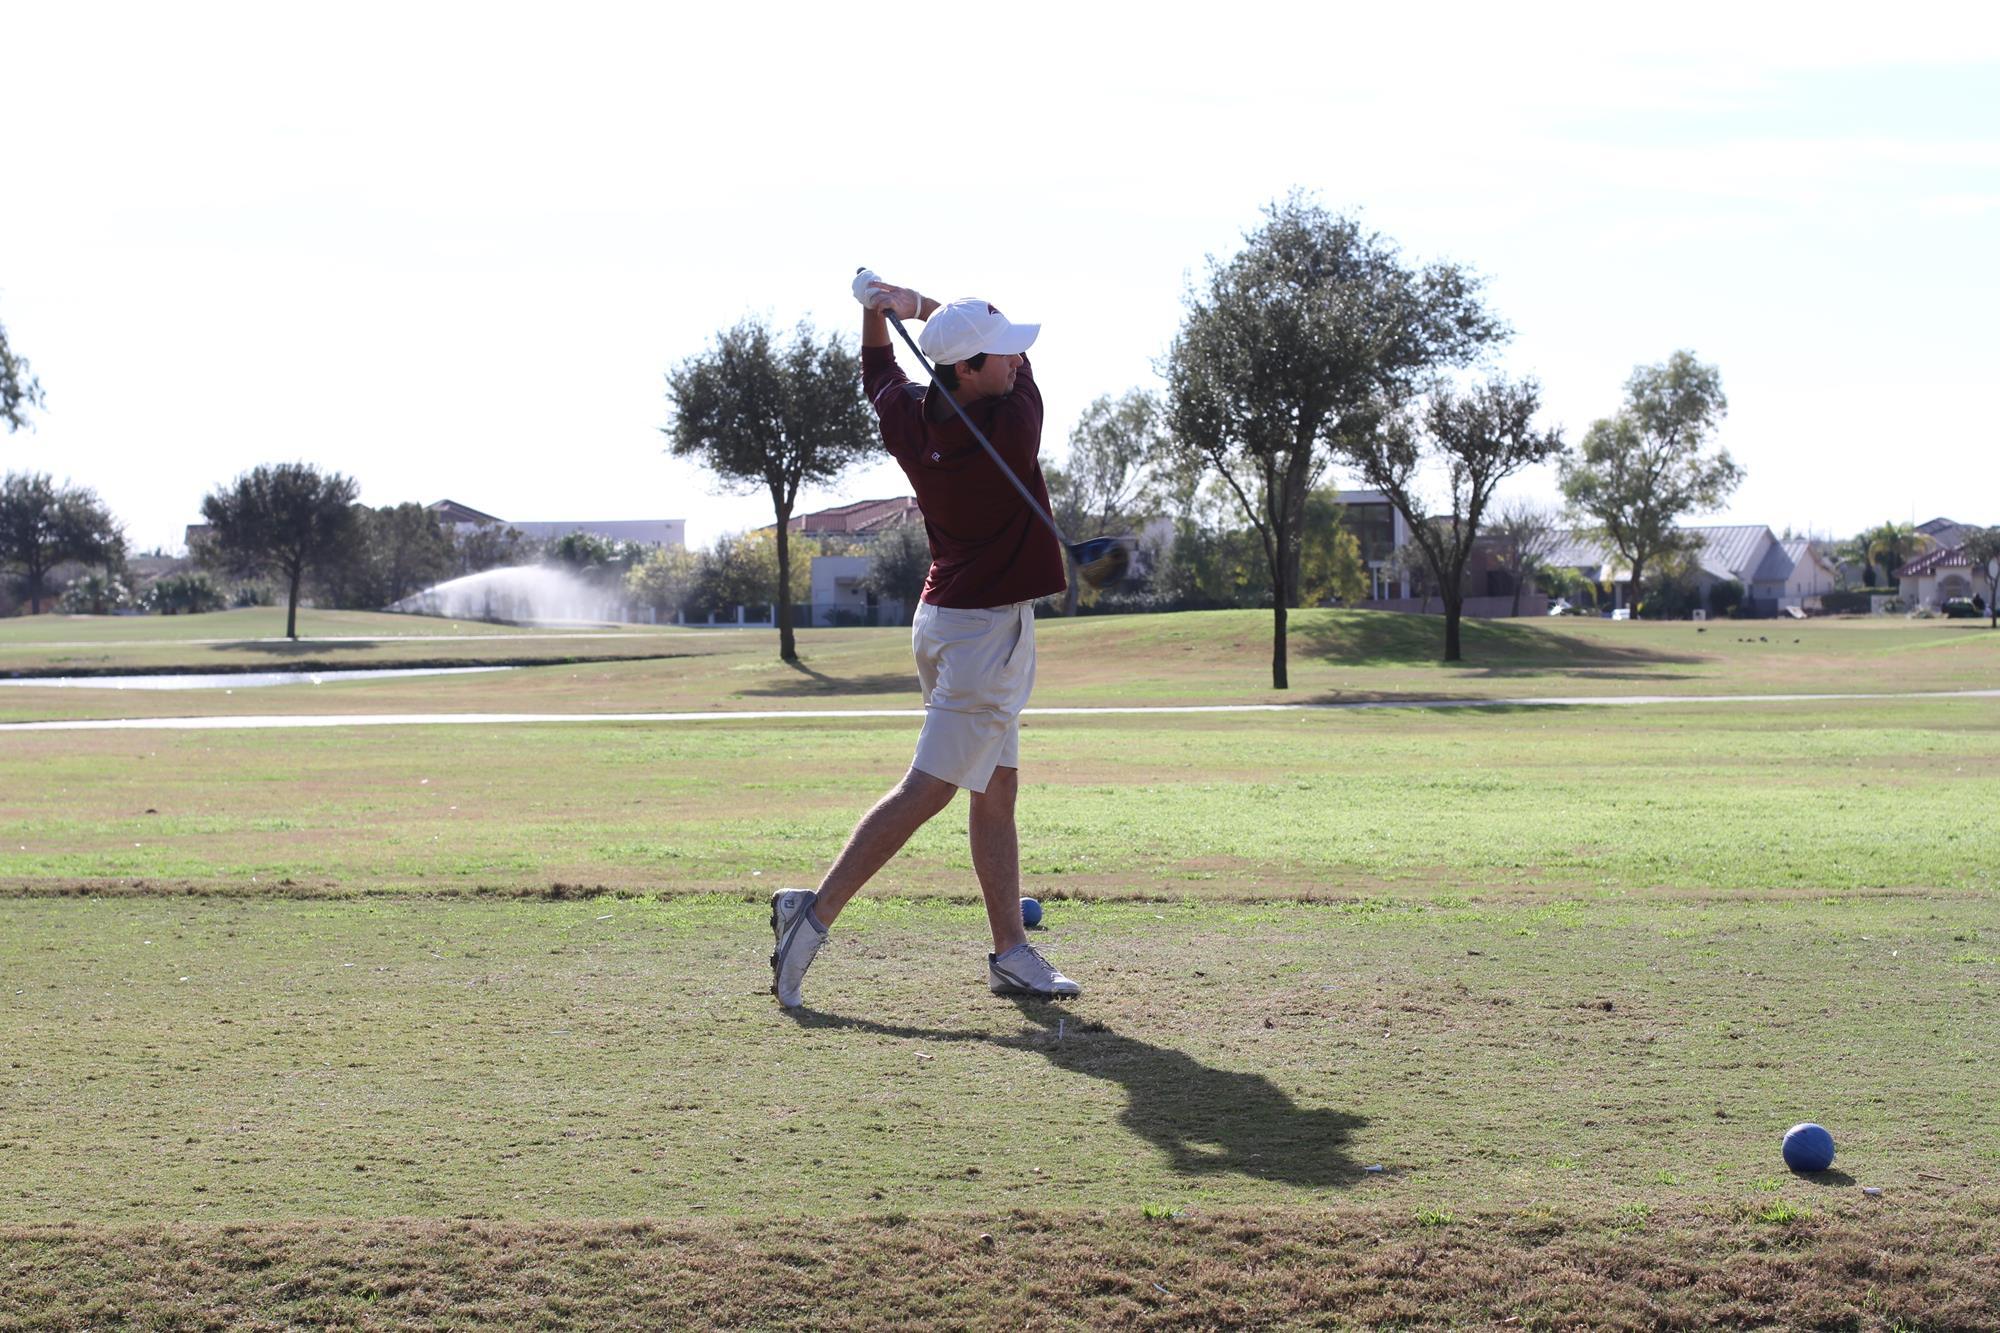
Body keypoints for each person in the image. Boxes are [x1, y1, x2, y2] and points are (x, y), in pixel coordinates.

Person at [768, 271, 1080, 1008]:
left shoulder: (910, 418)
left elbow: (879, 371)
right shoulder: (1014, 421)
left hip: (942, 621)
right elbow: (960, 358)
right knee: (929, 789)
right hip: (984, 638)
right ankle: (808, 918)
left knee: (997, 787)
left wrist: (880, 314)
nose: (1015, 361)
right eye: (1000, 354)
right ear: (970, 371)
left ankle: (1011, 952)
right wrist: (913, 305)